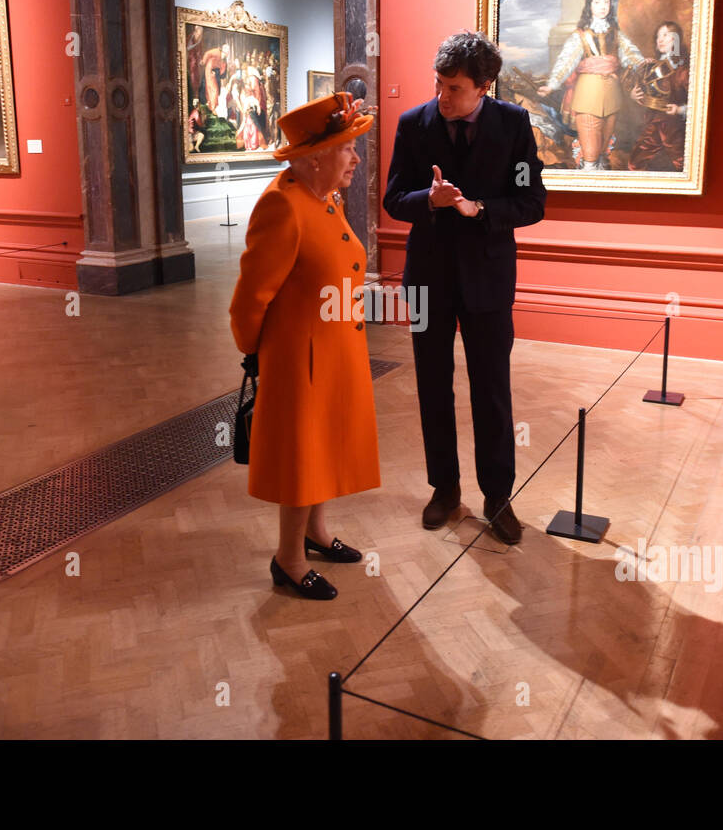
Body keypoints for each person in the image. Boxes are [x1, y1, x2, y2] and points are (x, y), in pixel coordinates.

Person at [383, 32, 546, 544]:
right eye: (438, 83)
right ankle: (445, 488)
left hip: (488, 280)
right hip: (428, 281)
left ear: (484, 86)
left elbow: (531, 201)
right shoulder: (414, 125)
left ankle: (497, 497)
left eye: (454, 87)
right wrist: (428, 201)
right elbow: (392, 198)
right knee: (433, 386)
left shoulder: (514, 125)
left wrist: (481, 210)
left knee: (492, 391)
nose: (442, 96)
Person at [229, 92, 380, 600]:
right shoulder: (283, 205)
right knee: (302, 458)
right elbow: (251, 297)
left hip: (335, 350)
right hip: (300, 359)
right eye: (348, 148)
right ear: (315, 157)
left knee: (324, 448)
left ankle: (316, 535)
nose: (356, 158)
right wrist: (257, 351)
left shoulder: (323, 197)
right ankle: (288, 559)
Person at [539, 0, 644, 170]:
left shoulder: (616, 34)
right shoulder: (581, 35)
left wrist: (645, 64)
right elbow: (566, 61)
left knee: (604, 145)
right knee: (590, 148)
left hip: (612, 96)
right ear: (590, 5)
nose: (603, 6)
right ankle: (588, 171)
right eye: (597, 2)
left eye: (606, 1)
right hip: (588, 93)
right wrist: (552, 84)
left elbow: (632, 56)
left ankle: (600, 179)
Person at [626, 21, 689, 172]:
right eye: (658, 36)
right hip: (654, 123)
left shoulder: (684, 70)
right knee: (635, 164)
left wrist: (679, 110)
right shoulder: (653, 65)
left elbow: (699, 103)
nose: (659, 40)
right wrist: (633, 95)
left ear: (676, 39)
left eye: (665, 35)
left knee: (684, 165)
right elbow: (647, 94)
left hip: (675, 127)